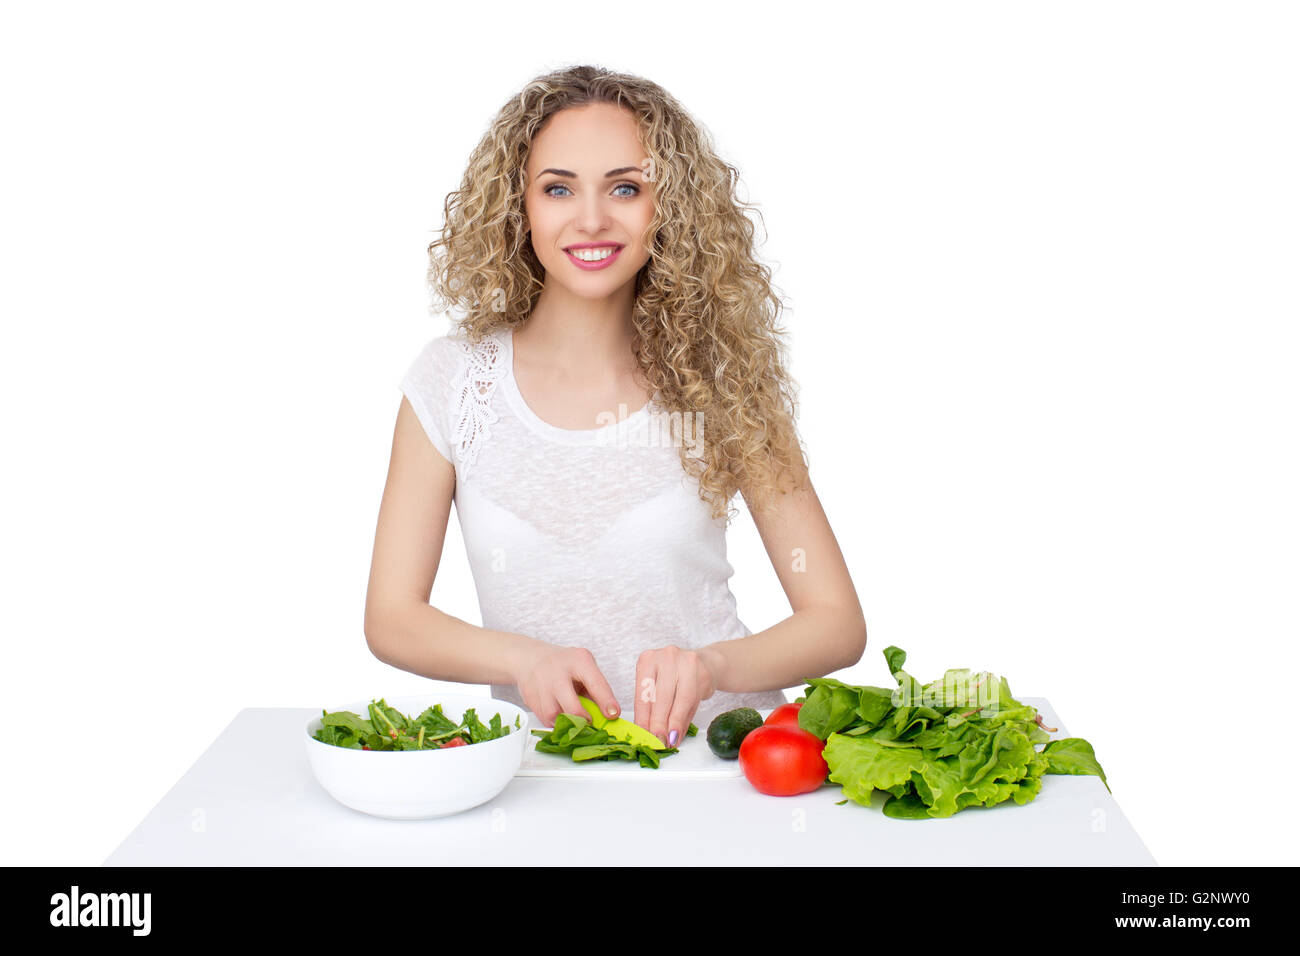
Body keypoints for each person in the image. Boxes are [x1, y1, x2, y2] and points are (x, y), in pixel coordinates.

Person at [364, 64, 866, 747]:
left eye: (626, 188)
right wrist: (520, 657)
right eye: (559, 188)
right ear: (520, 205)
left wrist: (714, 666)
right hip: (542, 769)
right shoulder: (451, 383)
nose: (592, 218)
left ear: (670, 208)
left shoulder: (720, 380)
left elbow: (835, 620)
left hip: (717, 764)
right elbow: (392, 616)